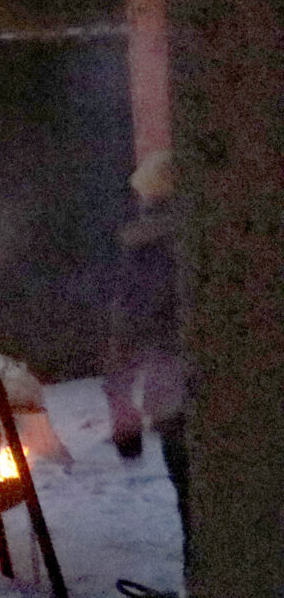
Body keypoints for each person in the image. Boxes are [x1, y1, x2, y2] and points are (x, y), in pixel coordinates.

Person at [105, 149, 190, 564]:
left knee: (196, 517)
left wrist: (124, 421)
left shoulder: (144, 253)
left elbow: (124, 338)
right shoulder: (233, 241)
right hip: (243, 399)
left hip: (176, 406)